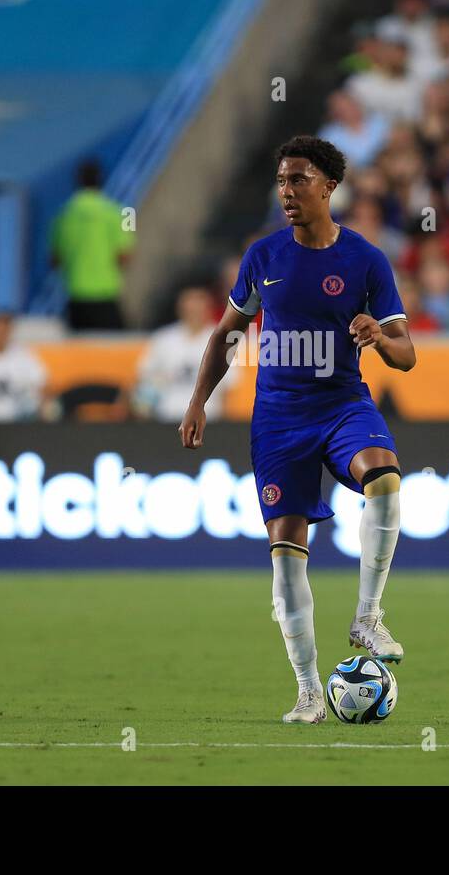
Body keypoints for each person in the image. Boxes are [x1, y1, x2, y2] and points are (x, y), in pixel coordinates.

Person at [179, 136, 416, 725]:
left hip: (341, 405)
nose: (287, 191)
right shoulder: (263, 257)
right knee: (287, 559)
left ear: (329, 186)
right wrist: (197, 403)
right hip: (279, 419)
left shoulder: (365, 260)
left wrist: (378, 337)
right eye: (282, 181)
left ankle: (367, 615)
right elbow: (226, 336)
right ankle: (310, 692)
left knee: (385, 478)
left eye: (299, 179)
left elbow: (407, 355)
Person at [50, 159, 132, 331]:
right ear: (101, 180)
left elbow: (55, 260)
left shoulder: (63, 215)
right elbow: (125, 254)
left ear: (77, 181)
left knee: (79, 351)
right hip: (105, 293)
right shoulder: (119, 212)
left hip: (75, 295)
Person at [132, 286, 229, 423]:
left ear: (208, 308)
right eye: (190, 307)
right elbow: (145, 379)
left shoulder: (222, 341)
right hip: (165, 417)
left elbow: (227, 387)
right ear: (180, 308)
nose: (194, 311)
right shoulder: (163, 339)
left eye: (199, 305)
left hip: (208, 419)